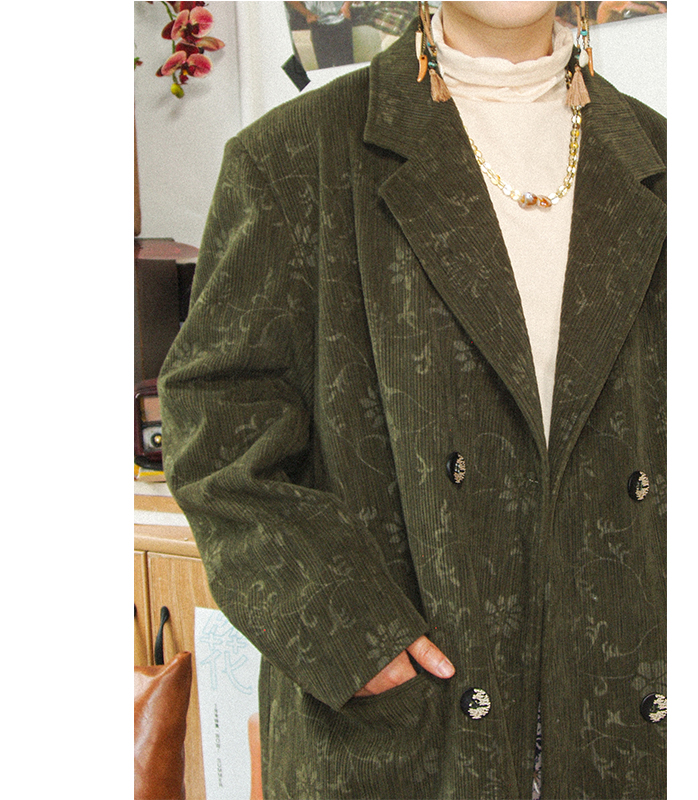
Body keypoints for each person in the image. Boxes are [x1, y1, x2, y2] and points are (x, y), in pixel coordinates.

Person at [158, 3, 666, 798]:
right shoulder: (293, 158)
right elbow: (218, 431)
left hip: (627, 718)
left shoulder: (672, 163)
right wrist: (344, 624)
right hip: (411, 734)